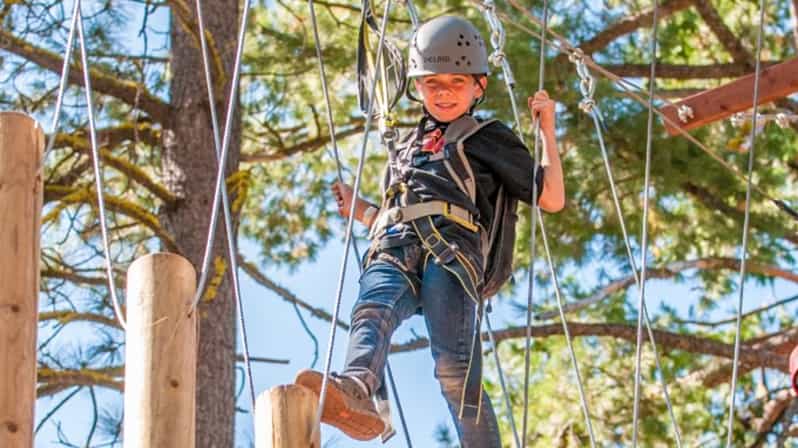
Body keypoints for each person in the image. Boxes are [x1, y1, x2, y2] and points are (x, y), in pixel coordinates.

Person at [295, 15, 565, 447]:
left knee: (453, 367)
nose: (442, 93)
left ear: (479, 86)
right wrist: (364, 211)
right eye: (431, 83)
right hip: (395, 246)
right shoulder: (406, 144)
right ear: (416, 86)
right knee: (372, 311)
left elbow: (549, 197)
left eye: (456, 82)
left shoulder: (487, 137)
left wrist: (547, 132)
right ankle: (356, 390)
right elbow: (402, 208)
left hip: (450, 254)